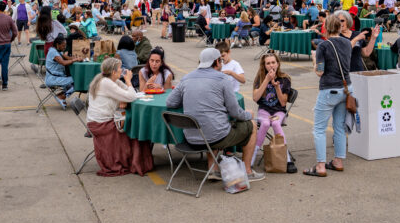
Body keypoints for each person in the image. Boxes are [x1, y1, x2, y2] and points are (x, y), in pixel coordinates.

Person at [166, 48, 263, 181]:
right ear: (217, 62)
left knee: (214, 123)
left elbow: (170, 102)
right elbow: (235, 112)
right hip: (215, 137)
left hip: (191, 138)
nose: (222, 63)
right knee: (250, 125)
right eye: (221, 61)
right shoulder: (222, 79)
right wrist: (248, 115)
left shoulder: (186, 78)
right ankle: (248, 171)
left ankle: (213, 169)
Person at [86, 57, 153, 176]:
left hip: (102, 119)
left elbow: (130, 93)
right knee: (133, 127)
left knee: (131, 122)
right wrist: (128, 81)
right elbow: (131, 96)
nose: (122, 70)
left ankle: (135, 160)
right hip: (101, 124)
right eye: (120, 68)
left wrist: (125, 98)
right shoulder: (106, 83)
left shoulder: (111, 80)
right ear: (113, 72)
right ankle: (134, 162)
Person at [306, 13, 350, 177]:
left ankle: (321, 165)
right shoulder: (346, 43)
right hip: (345, 88)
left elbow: (320, 71)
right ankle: (338, 160)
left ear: (326, 28)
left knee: (319, 129)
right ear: (339, 27)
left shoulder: (324, 46)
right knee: (339, 127)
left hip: (329, 89)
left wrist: (314, 60)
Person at [251, 52, 295, 172]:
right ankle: (252, 158)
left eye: (273, 62)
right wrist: (266, 80)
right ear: (264, 65)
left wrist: (276, 87)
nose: (271, 66)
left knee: (275, 123)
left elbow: (282, 103)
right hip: (264, 110)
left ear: (278, 63)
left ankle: (288, 159)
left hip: (279, 111)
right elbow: (255, 98)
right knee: (265, 124)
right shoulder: (260, 78)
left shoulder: (284, 79)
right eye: (268, 63)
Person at [45, 34, 80, 108]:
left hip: (57, 77)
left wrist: (76, 58)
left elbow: (67, 58)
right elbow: (63, 62)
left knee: (73, 82)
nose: (64, 47)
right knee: (77, 81)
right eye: (63, 45)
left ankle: (61, 95)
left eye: (65, 45)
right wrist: (75, 60)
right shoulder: (53, 52)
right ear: (57, 44)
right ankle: (62, 96)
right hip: (52, 79)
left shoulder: (58, 51)